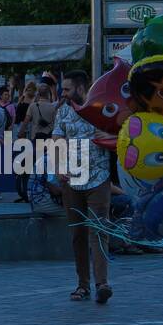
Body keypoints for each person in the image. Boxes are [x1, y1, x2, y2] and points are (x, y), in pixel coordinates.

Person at [52, 69, 113, 304]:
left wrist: (108, 134)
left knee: (99, 231)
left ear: (80, 87)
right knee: (78, 234)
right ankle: (83, 284)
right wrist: (58, 168)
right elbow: (57, 140)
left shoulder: (101, 106)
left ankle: (102, 283)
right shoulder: (63, 111)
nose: (63, 93)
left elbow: (122, 133)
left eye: (67, 89)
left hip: (99, 177)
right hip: (72, 180)